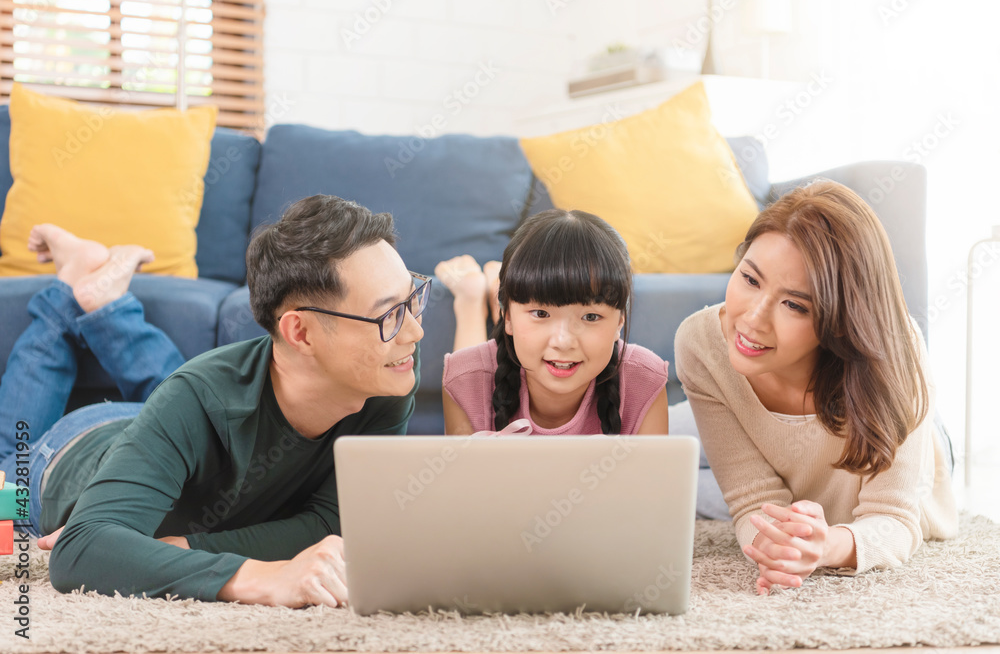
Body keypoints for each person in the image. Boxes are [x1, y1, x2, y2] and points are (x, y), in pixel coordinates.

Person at [0, 195, 427, 607]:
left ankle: (107, 303)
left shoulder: (387, 371)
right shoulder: (198, 398)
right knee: (9, 459)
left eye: (414, 299)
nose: (414, 332)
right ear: (300, 333)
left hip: (164, 427)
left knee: (186, 394)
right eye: (390, 313)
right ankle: (68, 285)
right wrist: (265, 577)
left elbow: (334, 523)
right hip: (69, 454)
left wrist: (186, 546)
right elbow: (81, 552)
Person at [674, 180, 958, 595]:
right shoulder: (702, 343)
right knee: (647, 453)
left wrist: (824, 548)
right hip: (789, 468)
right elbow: (752, 498)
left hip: (914, 437)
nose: (753, 319)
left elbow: (894, 519)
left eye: (794, 305)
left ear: (841, 319)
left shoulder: (897, 350)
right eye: (750, 279)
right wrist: (777, 547)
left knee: (680, 476)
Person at [438, 209, 669, 436]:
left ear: (620, 321)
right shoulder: (463, 378)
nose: (563, 342)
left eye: (590, 317)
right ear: (507, 316)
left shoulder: (645, 380)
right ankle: (471, 297)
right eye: (541, 313)